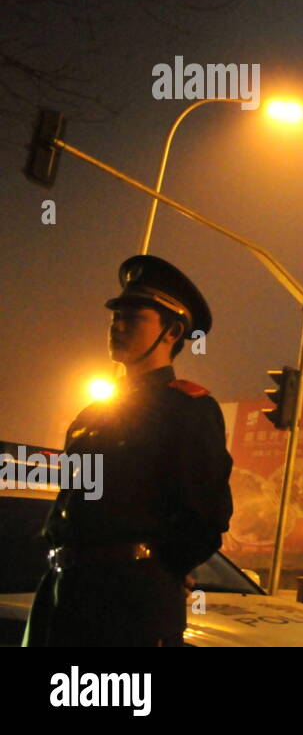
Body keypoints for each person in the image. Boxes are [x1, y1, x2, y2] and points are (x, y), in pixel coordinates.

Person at [24, 256, 234, 647]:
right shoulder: (94, 413)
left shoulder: (186, 408)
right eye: (114, 317)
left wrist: (158, 571)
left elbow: (205, 515)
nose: (117, 326)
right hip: (64, 592)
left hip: (128, 605)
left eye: (133, 318)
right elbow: (71, 502)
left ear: (172, 332)